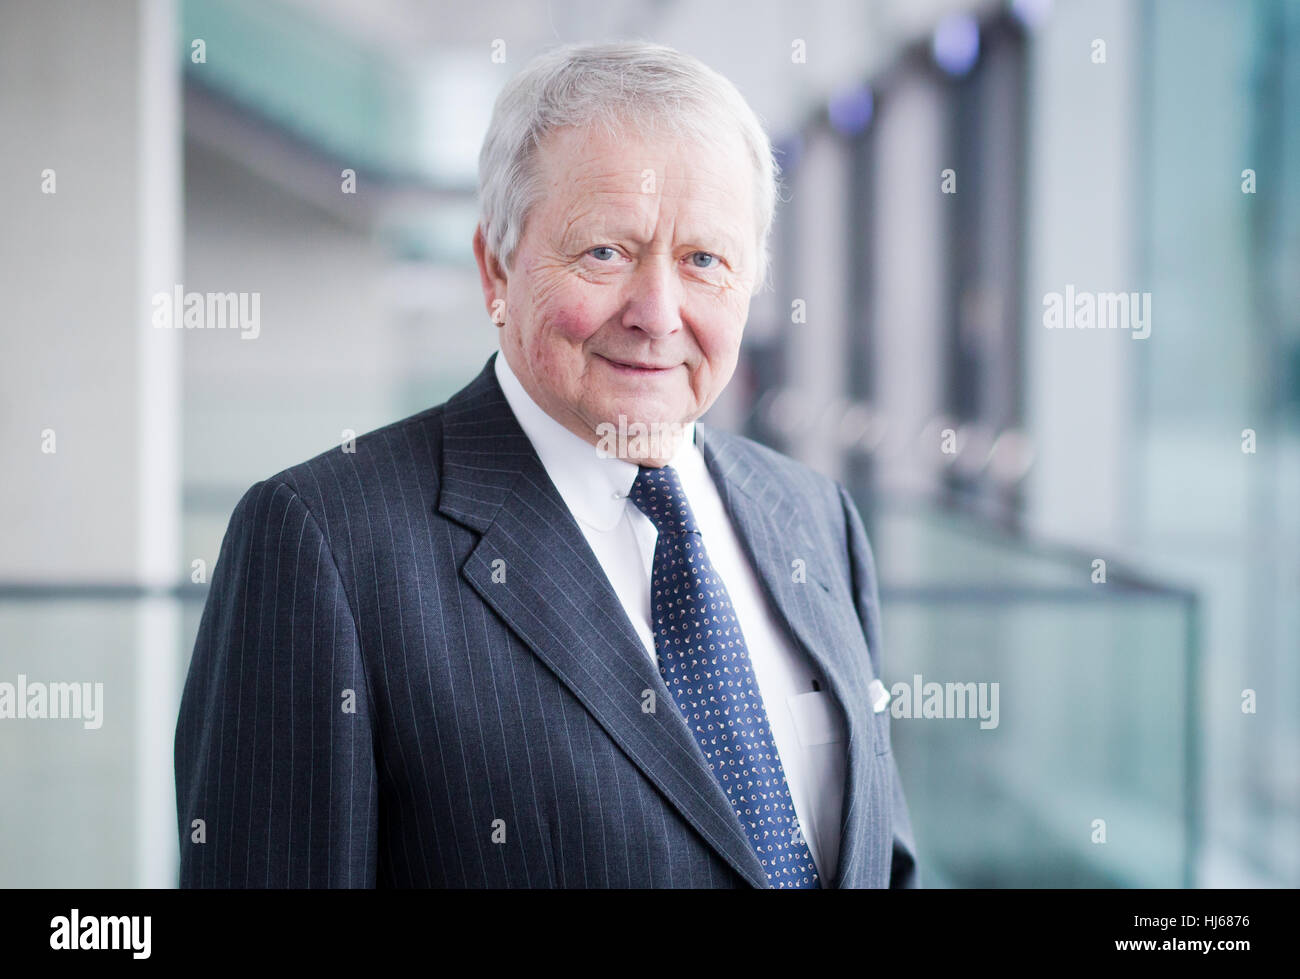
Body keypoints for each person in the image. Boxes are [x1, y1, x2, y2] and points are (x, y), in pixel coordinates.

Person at [174, 40, 918, 889]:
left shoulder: (816, 517)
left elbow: (885, 859)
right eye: (604, 252)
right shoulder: (325, 546)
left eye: (704, 260)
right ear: (496, 265)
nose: (657, 314)